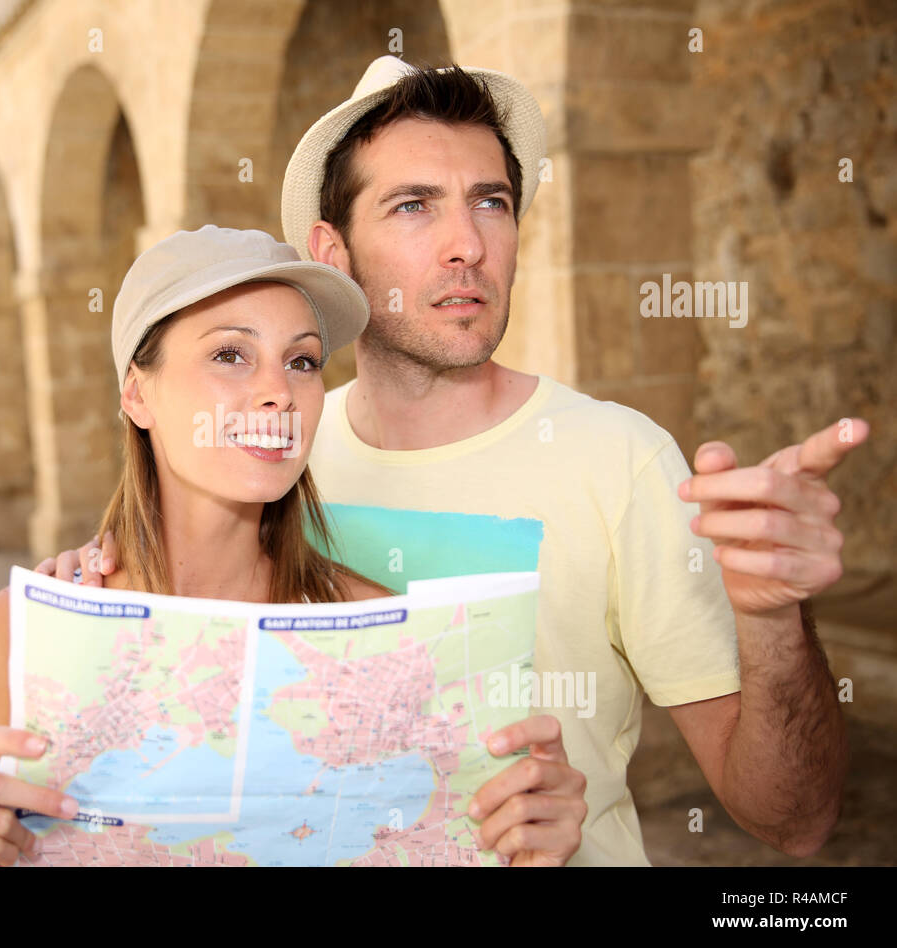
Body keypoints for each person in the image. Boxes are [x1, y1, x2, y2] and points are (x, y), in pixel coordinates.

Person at [62, 59, 868, 865]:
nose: (468, 245)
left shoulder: (621, 460)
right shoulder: (269, 457)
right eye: (413, 206)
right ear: (330, 251)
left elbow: (789, 819)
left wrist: (772, 619)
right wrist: (89, 600)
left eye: (493, 202)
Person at [0, 226, 590, 866]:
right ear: (137, 392)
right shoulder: (36, 629)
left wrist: (526, 848)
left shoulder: (390, 631)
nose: (280, 392)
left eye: (301, 361)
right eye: (230, 354)